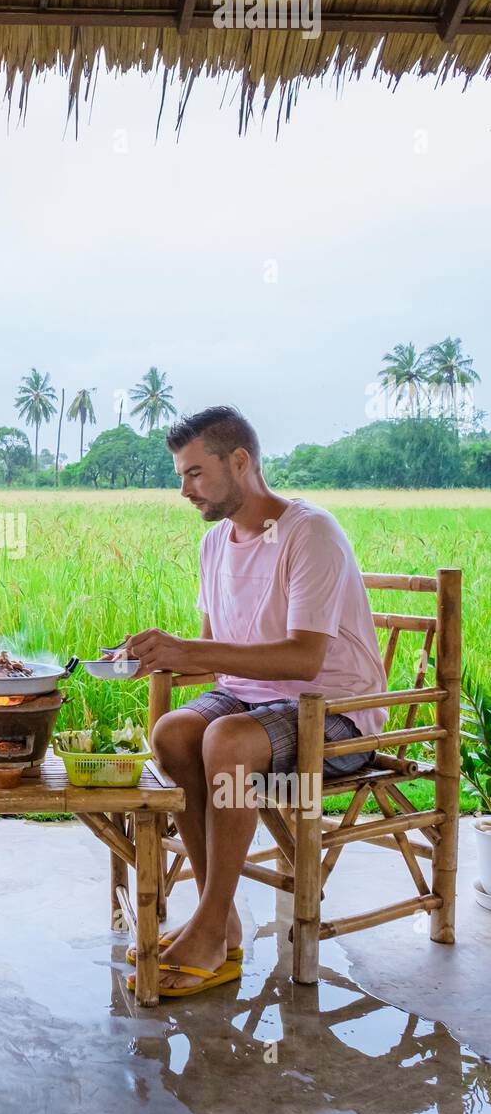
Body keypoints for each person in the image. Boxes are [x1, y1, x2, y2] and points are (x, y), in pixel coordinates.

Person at [118, 406, 387, 998]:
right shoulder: (215, 543)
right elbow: (224, 654)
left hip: (335, 714)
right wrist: (169, 656)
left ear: (239, 462)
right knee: (172, 733)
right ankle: (224, 919)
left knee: (227, 739)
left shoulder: (307, 533)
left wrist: (192, 650)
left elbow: (302, 661)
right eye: (181, 475)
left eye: (194, 473)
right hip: (250, 702)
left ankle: (211, 924)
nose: (183, 489)